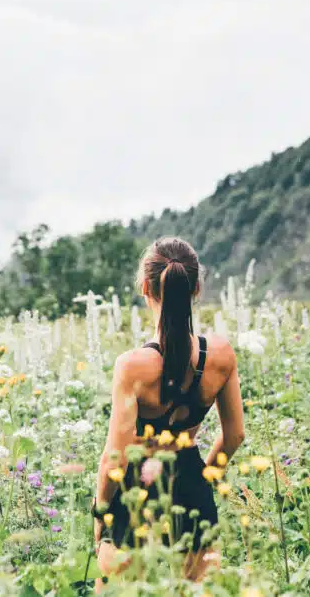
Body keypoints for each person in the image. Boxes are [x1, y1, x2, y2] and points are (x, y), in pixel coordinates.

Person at [91, 237, 245, 589]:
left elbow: (114, 457)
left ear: (146, 287)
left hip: (135, 491)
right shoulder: (221, 356)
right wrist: (205, 478)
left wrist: (100, 513)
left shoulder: (132, 366)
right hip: (191, 483)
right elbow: (235, 435)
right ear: (197, 288)